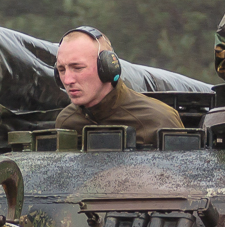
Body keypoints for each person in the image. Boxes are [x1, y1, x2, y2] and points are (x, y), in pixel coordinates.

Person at [54, 27, 182, 147]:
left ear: (107, 67)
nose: (67, 80)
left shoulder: (159, 120)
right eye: (61, 70)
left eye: (78, 68)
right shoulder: (66, 122)